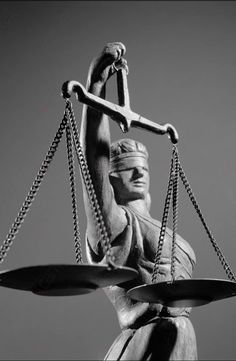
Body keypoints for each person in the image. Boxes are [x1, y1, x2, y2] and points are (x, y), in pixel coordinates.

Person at [80, 42, 198, 360]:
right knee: (175, 329)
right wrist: (96, 87)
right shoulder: (117, 225)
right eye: (128, 170)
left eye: (143, 169)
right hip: (144, 341)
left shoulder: (159, 227)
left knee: (179, 329)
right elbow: (94, 164)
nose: (139, 175)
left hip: (178, 339)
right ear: (111, 179)